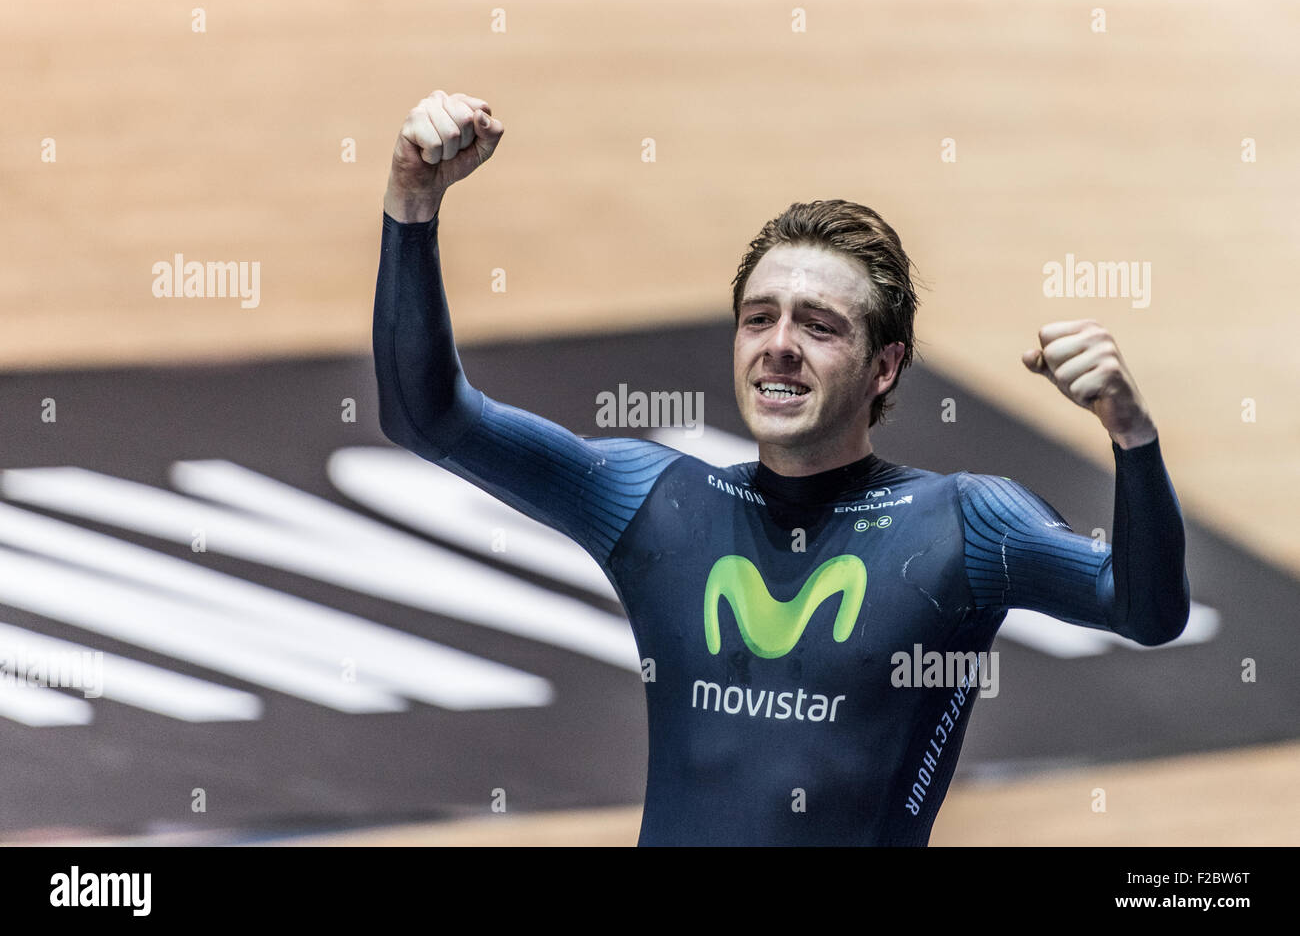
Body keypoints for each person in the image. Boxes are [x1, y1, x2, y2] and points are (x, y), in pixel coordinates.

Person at [373, 89, 1191, 845]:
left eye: (820, 324)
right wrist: (414, 202)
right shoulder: (651, 500)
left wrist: (1132, 436)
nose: (780, 345)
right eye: (758, 317)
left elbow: (1146, 609)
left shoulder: (965, 527)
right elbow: (426, 416)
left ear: (885, 367)